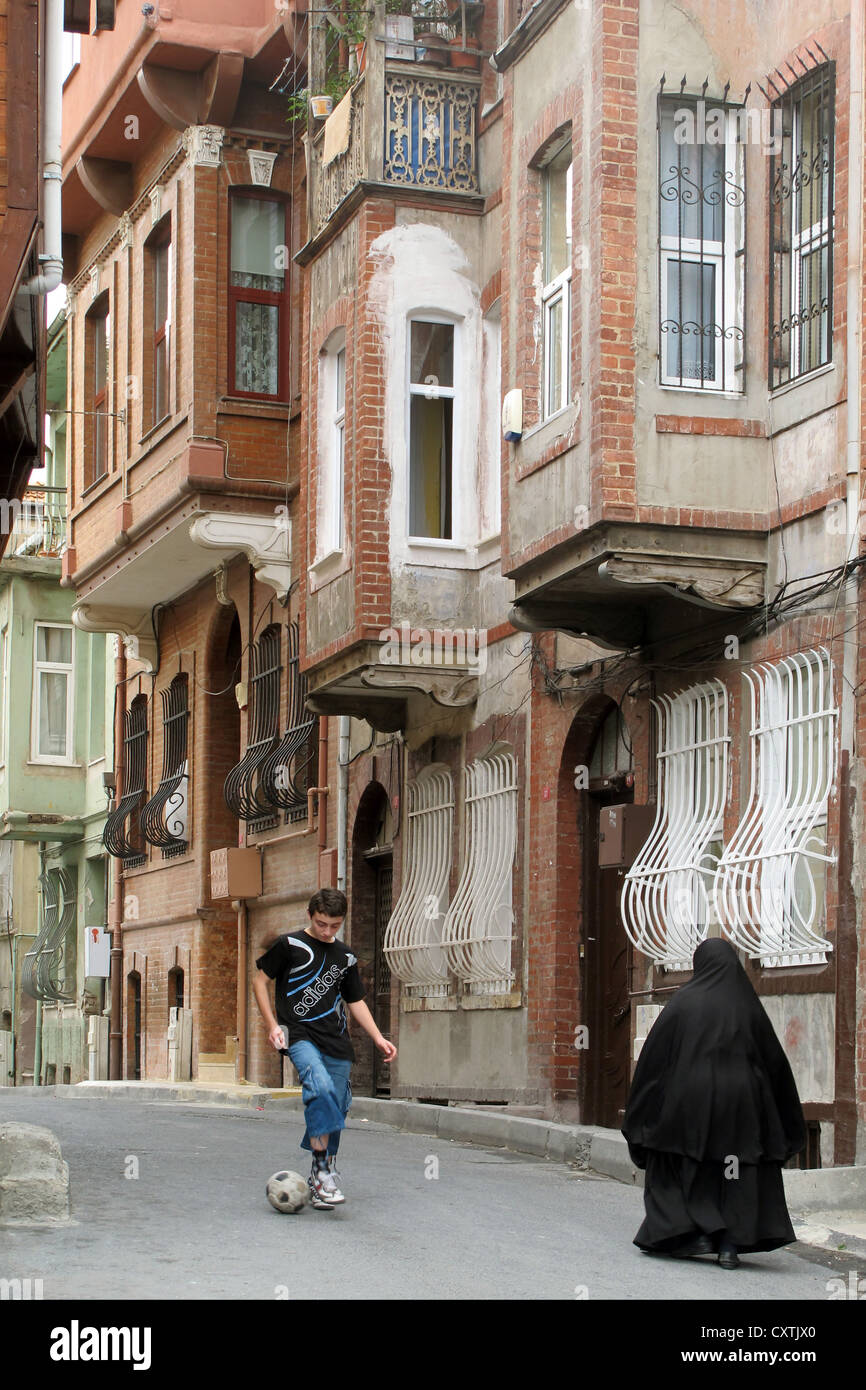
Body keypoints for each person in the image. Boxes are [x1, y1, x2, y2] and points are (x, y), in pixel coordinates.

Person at [621, 937, 806, 1268]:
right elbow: (776, 1067)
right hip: (743, 1106)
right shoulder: (748, 1006)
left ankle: (695, 1231)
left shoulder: (683, 1003)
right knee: (733, 1168)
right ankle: (729, 1244)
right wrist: (787, 1127)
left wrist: (642, 1119)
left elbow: (653, 1064)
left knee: (688, 1162)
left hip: (688, 1102)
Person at [253, 887, 397, 1209]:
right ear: (310, 915)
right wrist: (271, 1025)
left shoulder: (345, 957)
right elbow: (260, 981)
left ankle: (322, 1174)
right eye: (321, 924)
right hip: (299, 1034)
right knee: (318, 1087)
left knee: (337, 1103)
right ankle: (322, 1171)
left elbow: (355, 1000)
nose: (327, 931)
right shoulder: (289, 945)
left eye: (334, 925)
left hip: (337, 1040)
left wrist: (377, 1036)